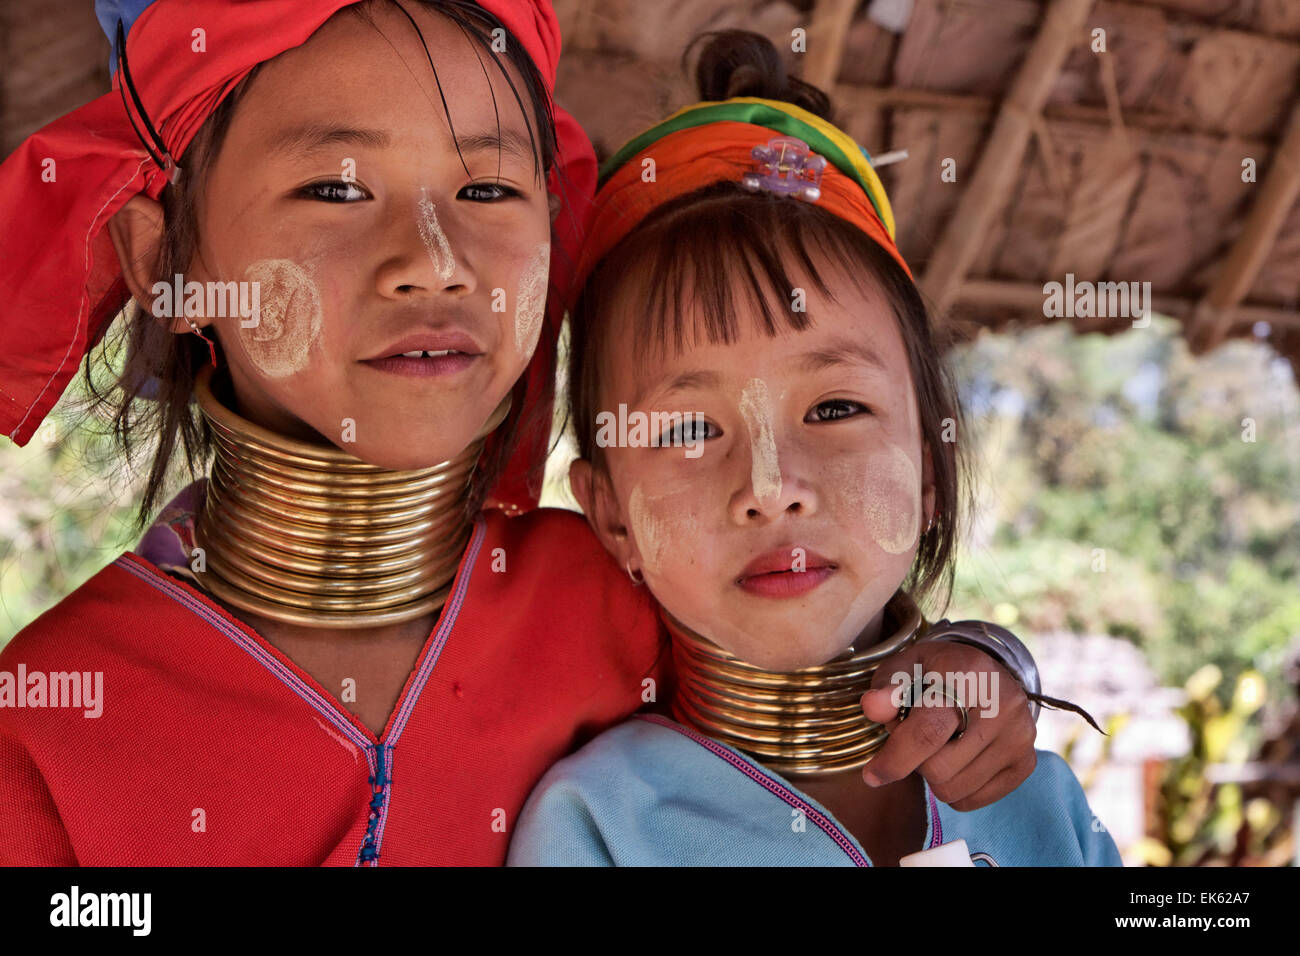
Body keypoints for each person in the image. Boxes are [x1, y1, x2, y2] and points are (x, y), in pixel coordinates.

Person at [0, 4, 1042, 865]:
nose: (434, 258)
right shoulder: (49, 728)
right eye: (333, 187)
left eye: (488, 188)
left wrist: (972, 668)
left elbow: (833, 665)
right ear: (164, 262)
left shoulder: (615, 600)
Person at [508, 31, 1120, 867]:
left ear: (932, 468)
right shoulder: (605, 822)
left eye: (834, 407)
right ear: (610, 514)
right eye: (689, 429)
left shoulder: (1038, 805)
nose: (771, 487)